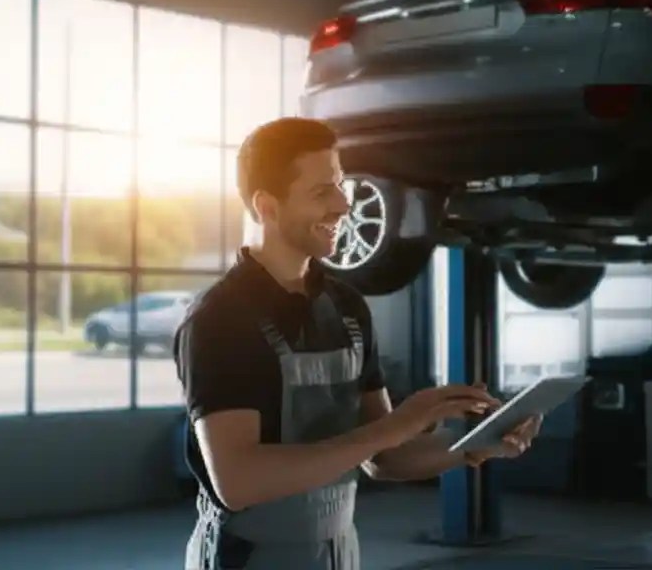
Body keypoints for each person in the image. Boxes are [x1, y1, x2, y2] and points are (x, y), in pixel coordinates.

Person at [173, 117, 541, 570]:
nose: (343, 205)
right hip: (248, 558)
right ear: (266, 206)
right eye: (320, 191)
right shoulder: (220, 320)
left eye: (341, 184)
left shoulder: (346, 307)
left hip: (338, 552)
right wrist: (400, 422)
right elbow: (239, 480)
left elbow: (383, 459)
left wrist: (474, 443)